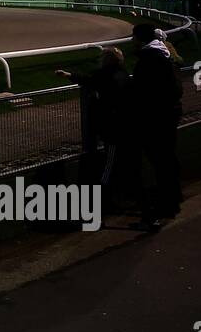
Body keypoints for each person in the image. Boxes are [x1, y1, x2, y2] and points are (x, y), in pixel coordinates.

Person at [57, 47, 132, 206]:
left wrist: (70, 75)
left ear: (108, 60)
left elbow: (90, 80)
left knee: (111, 162)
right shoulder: (123, 73)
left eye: (103, 57)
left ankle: (104, 197)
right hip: (122, 122)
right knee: (116, 159)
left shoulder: (107, 75)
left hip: (114, 125)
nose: (100, 60)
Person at [129, 23, 183, 230]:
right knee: (167, 160)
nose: (132, 42)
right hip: (169, 114)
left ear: (140, 38)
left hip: (156, 118)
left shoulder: (150, 59)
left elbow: (142, 92)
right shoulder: (165, 55)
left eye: (133, 38)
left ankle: (161, 210)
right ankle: (173, 201)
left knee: (160, 162)